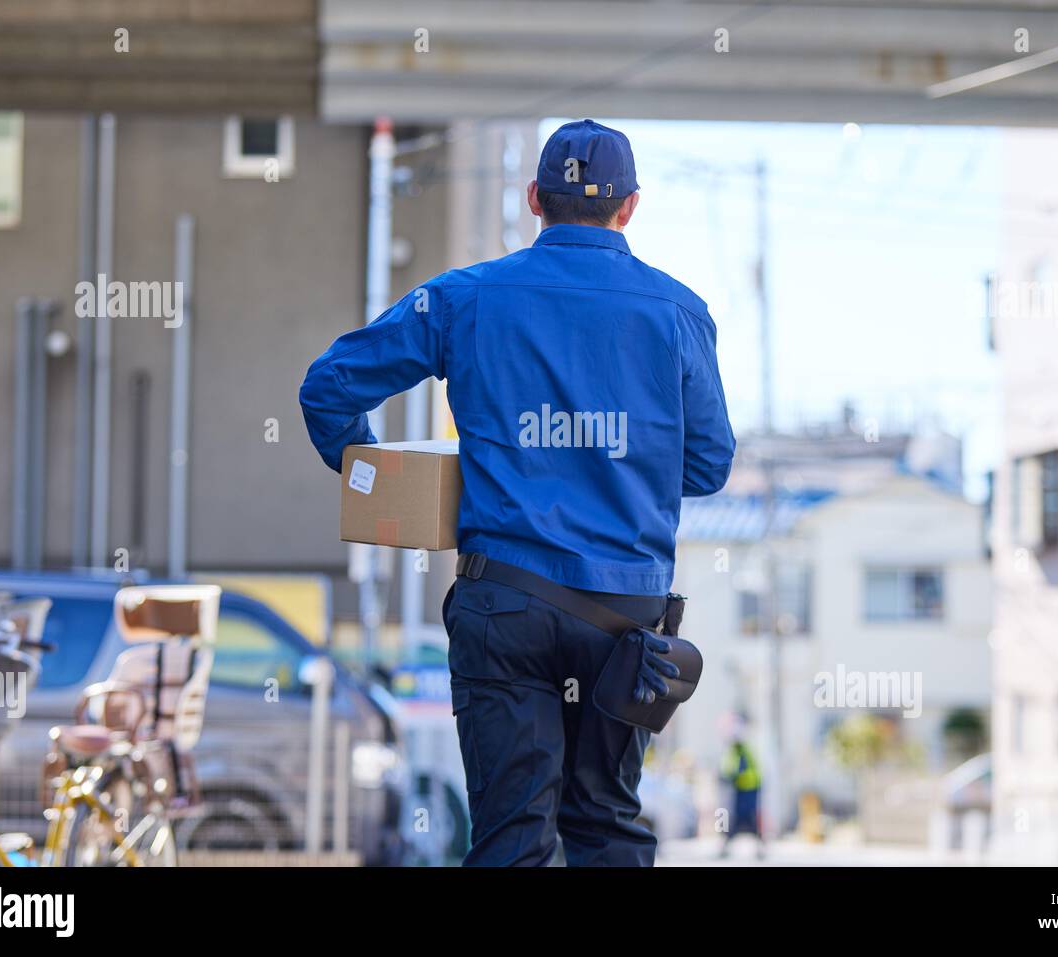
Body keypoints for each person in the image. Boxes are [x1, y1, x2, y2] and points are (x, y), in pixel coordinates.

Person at [300, 118, 735, 866]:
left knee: (511, 836)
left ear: (536, 198)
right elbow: (707, 466)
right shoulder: (678, 313)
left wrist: (376, 476)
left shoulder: (467, 298)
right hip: (623, 621)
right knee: (605, 825)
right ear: (629, 207)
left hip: (504, 605)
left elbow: (329, 386)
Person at [720, 720, 765, 859]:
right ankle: (726, 848)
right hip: (742, 790)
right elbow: (729, 767)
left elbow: (738, 769)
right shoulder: (738, 750)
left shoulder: (742, 750)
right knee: (738, 820)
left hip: (748, 790)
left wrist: (729, 776)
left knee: (748, 819)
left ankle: (759, 849)